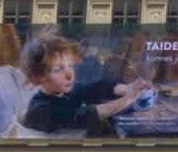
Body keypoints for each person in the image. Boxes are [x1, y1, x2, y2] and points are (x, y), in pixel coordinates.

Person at [11, 33, 150, 138]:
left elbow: (95, 88)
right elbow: (81, 117)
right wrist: (127, 99)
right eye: (59, 69)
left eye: (70, 66)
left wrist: (125, 89)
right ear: (37, 79)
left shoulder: (66, 92)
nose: (70, 74)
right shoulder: (39, 110)